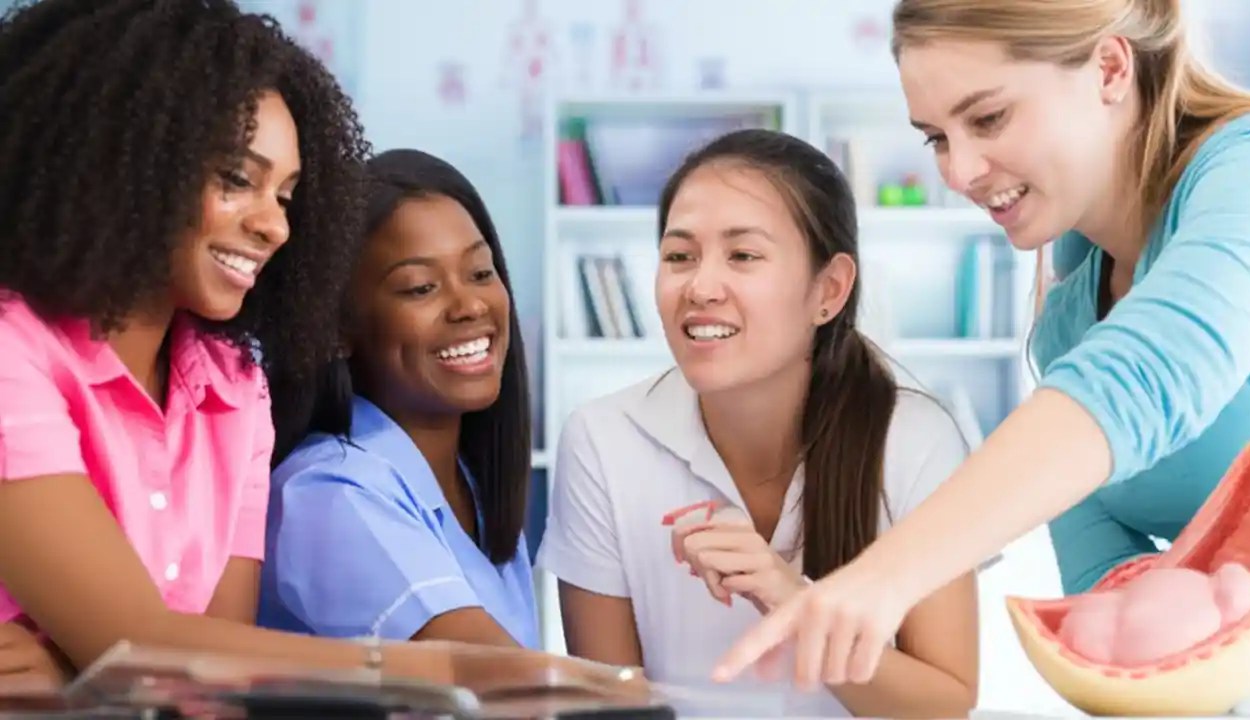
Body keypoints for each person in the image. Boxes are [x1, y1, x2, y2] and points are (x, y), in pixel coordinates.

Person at [0, 0, 583, 689]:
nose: (274, 226)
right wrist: (453, 669)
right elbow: (149, 645)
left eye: (288, 195)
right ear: (128, 159)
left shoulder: (237, 387)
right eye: (239, 179)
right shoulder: (17, 355)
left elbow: (206, 664)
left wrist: (84, 664)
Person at [714, 0, 1250, 698]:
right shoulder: (1067, 329)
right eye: (936, 138)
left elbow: (1157, 370)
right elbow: (1108, 607)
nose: (958, 171)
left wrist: (887, 576)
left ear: (1109, 67)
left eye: (987, 119)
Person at [537, 128, 980, 718]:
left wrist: (790, 601)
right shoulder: (603, 438)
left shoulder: (915, 438)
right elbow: (609, 705)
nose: (700, 286)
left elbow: (944, 705)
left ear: (830, 290)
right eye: (679, 256)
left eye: (743, 255)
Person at [257, 149, 540, 651]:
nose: (470, 306)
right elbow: (499, 679)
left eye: (480, 273)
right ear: (338, 328)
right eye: (420, 288)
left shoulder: (476, 484)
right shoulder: (328, 491)